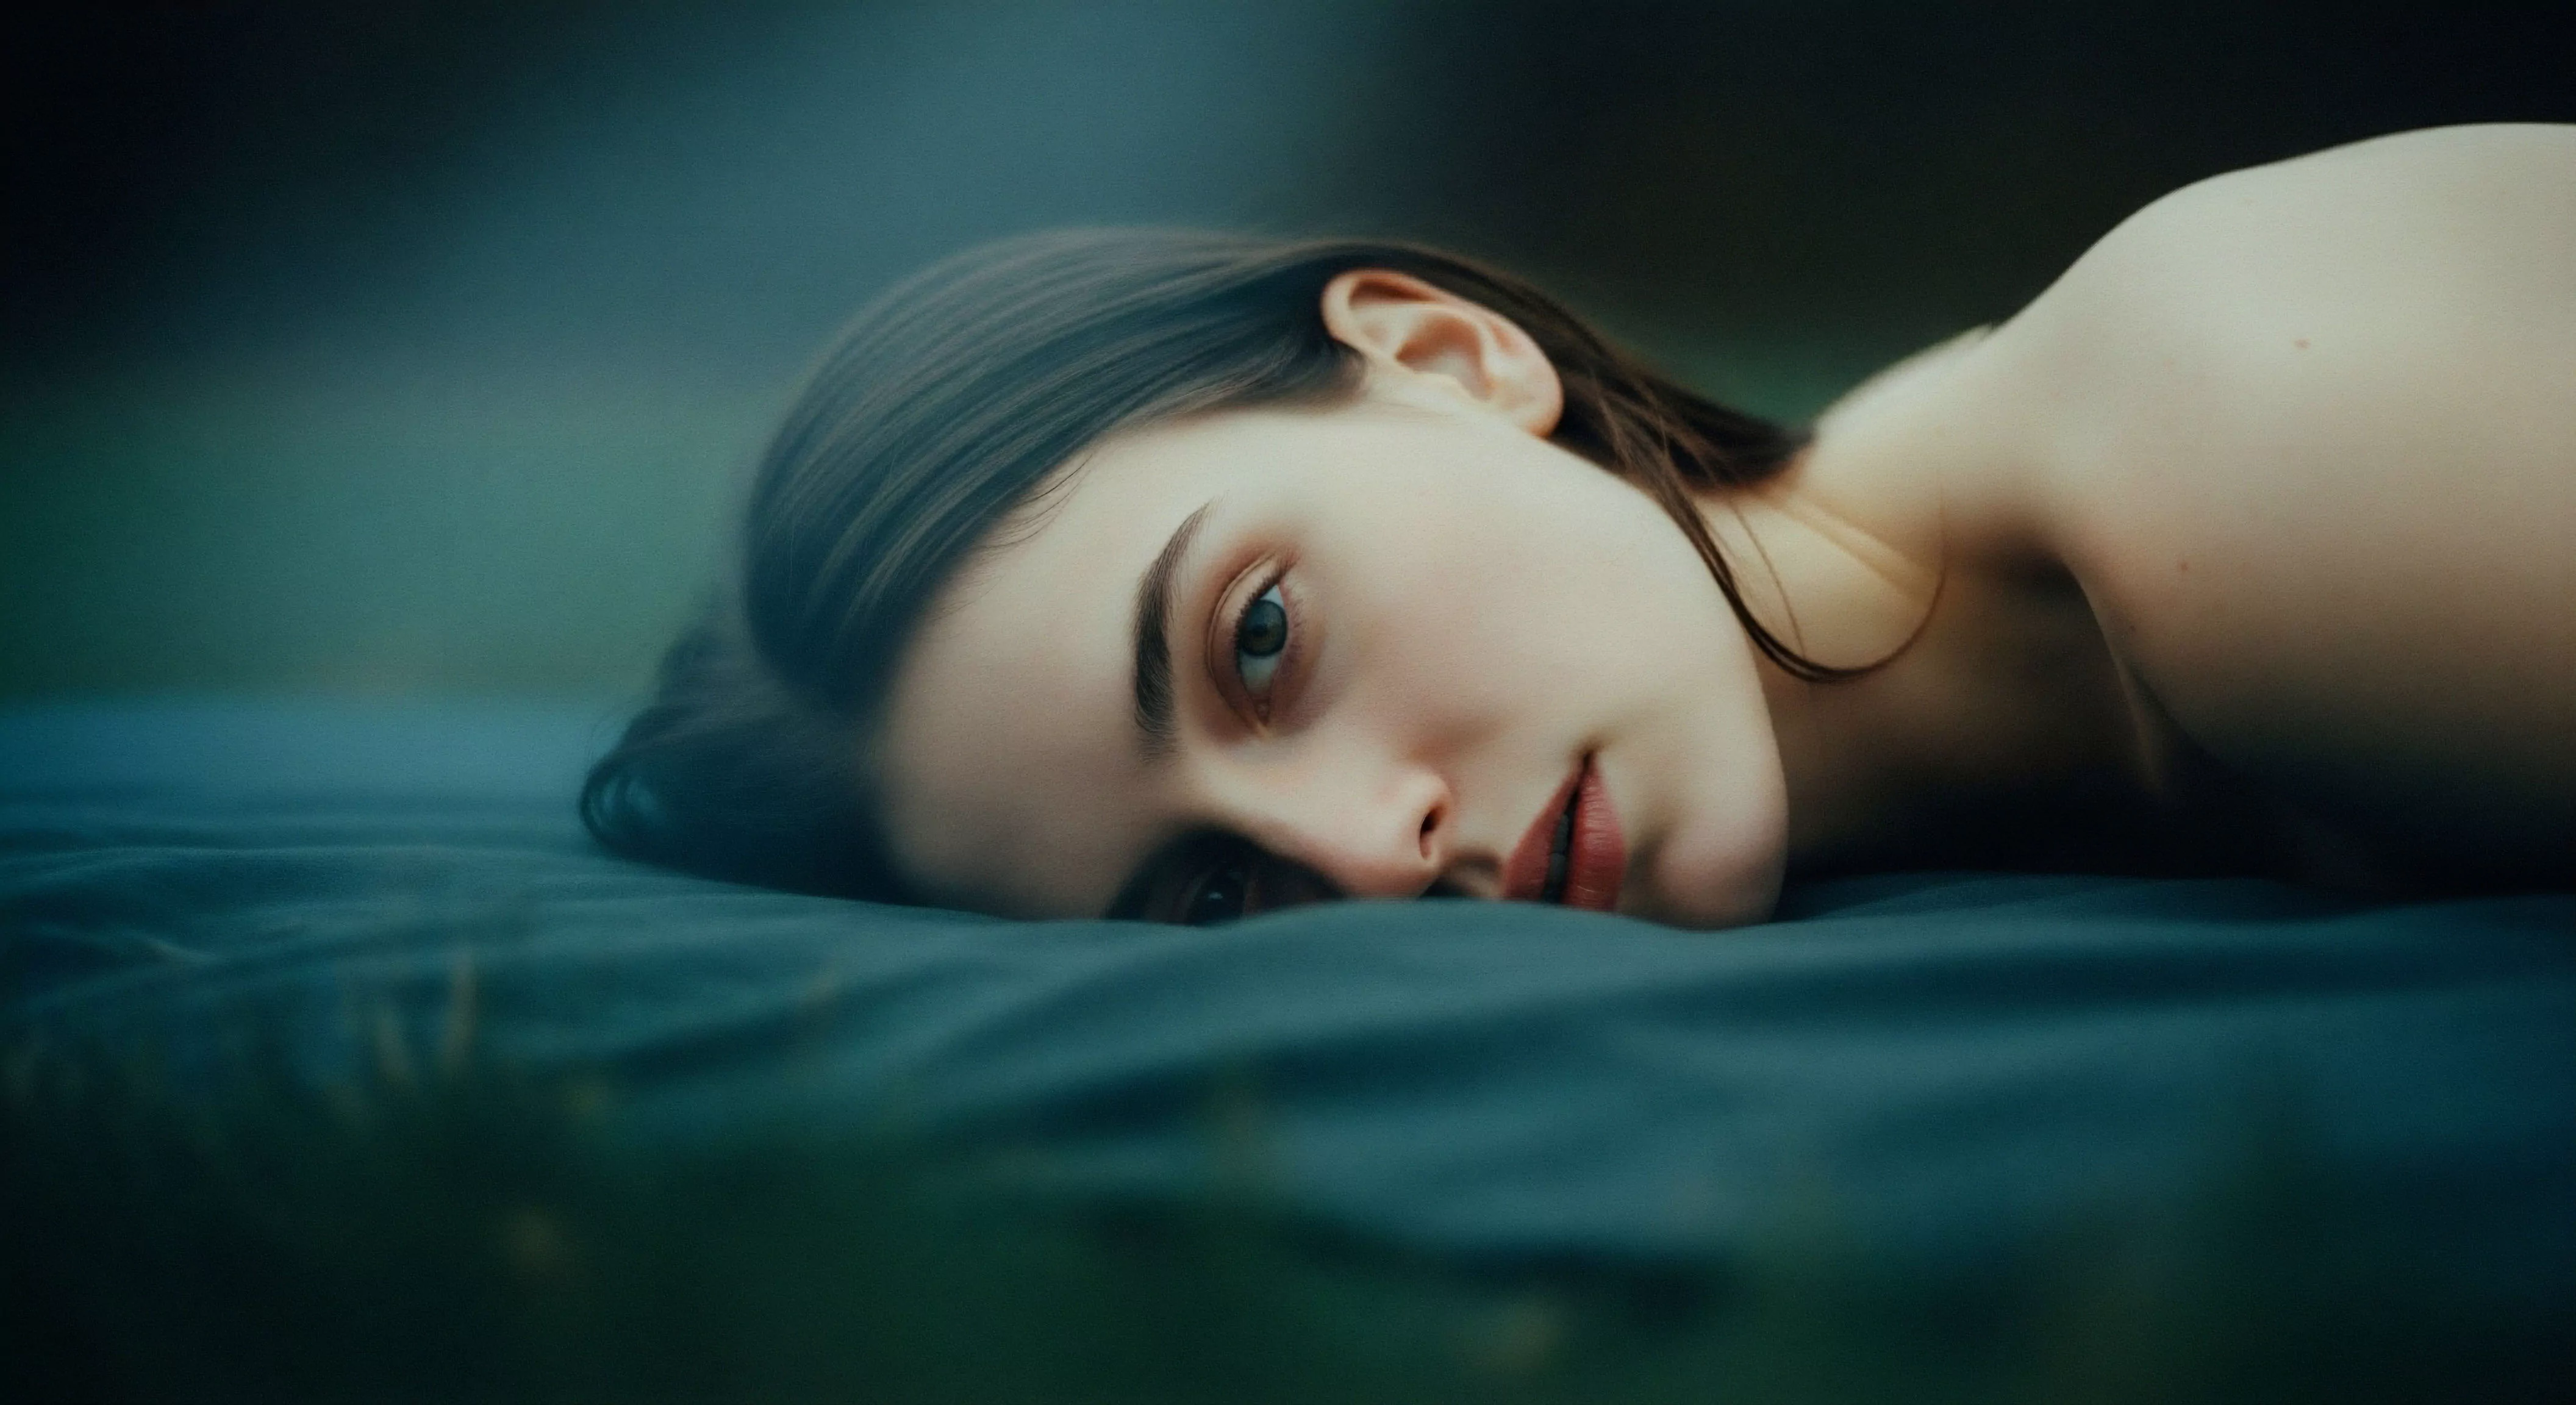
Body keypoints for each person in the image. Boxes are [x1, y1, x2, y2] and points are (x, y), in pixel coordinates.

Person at [584, 123, 2575, 929]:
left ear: (1446, 357)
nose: (1368, 857)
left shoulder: (2228, 454)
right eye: (1210, 900)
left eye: (1260, 639)